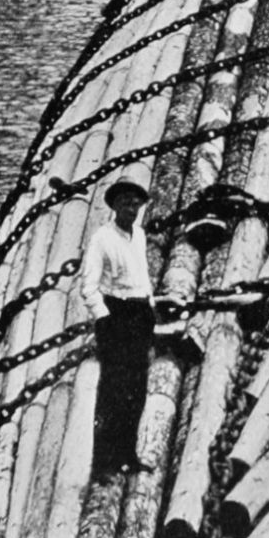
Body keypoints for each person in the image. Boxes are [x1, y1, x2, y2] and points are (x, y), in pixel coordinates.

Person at [80, 168, 155, 479]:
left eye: (135, 203)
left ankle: (128, 455)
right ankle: (102, 464)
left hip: (139, 314)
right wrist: (103, 317)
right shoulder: (102, 239)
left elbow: (143, 275)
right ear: (114, 206)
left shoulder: (139, 235)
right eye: (125, 203)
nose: (131, 208)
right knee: (112, 390)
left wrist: (150, 306)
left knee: (136, 390)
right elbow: (88, 286)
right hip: (115, 315)